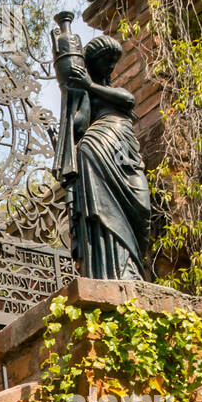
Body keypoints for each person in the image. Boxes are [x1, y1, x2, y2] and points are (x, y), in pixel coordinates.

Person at [56, 32, 151, 282]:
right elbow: (79, 126)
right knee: (103, 210)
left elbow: (129, 100)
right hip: (98, 147)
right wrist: (71, 99)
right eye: (105, 60)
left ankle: (133, 266)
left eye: (113, 60)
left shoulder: (104, 88)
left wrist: (89, 85)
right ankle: (116, 271)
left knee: (142, 208)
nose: (110, 66)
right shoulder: (87, 91)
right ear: (92, 62)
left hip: (125, 151)